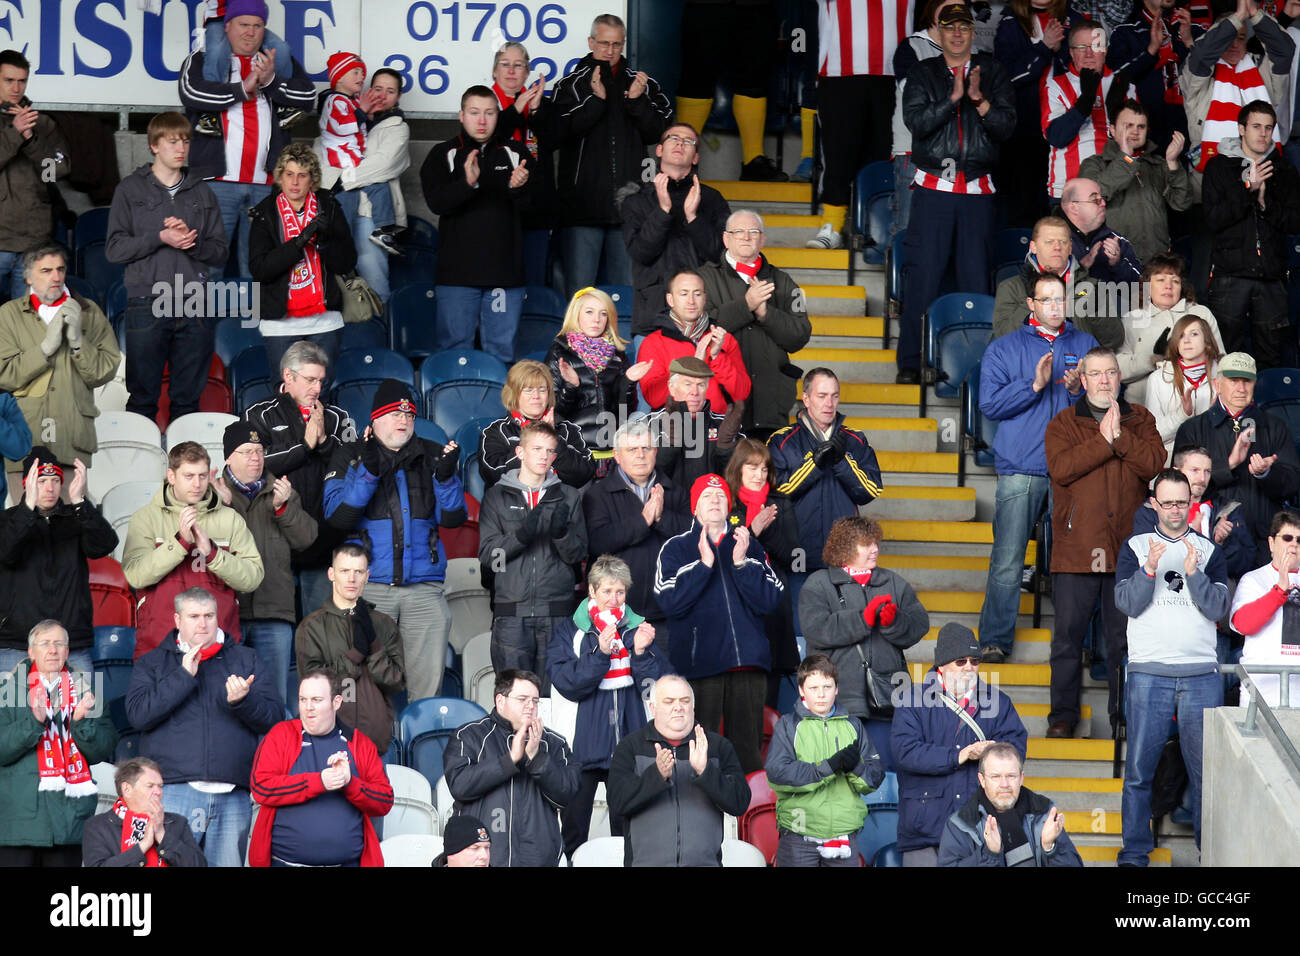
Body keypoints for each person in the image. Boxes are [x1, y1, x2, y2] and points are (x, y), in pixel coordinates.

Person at [1044, 345, 1167, 736]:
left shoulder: (1141, 418)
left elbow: (1153, 465)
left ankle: (1122, 716)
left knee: (1123, 642)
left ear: (1119, 377)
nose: (1103, 381)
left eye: (1110, 373)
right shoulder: (1063, 423)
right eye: (1095, 374)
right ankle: (1062, 718)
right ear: (1083, 380)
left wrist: (1120, 438)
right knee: (1067, 640)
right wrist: (1103, 440)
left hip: (1128, 552)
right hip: (1077, 549)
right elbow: (1061, 469)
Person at [977, 272, 1098, 663]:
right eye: (1045, 300)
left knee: (1078, 561)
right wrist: (1033, 385)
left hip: (1075, 469)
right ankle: (995, 640)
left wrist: (1080, 391)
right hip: (1022, 467)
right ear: (1031, 304)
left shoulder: (1085, 344)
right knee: (1009, 558)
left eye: (1059, 299)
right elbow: (989, 405)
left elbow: (1108, 403)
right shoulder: (1004, 347)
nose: (1054, 307)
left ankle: (1077, 645)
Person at [1114, 467, 1229, 866]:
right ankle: (1134, 854)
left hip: (1201, 674)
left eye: (1183, 502)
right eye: (1168, 503)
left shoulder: (1209, 551)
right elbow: (1127, 604)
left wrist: (1195, 576)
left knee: (1205, 777)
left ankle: (1208, 855)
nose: (1176, 510)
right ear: (1153, 504)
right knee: (1139, 773)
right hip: (1148, 672)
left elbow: (1219, 608)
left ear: (1190, 503)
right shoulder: (1134, 546)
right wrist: (1148, 571)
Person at [323, 379, 465, 701]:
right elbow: (337, 517)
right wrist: (368, 474)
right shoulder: (351, 454)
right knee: (363, 695)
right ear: (375, 419)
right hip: (369, 589)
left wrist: (444, 479)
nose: (403, 421)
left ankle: (421, 748)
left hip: (423, 591)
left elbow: (454, 519)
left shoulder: (431, 454)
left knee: (426, 694)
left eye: (410, 415)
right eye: (394, 414)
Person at [898, 1, 1016, 385]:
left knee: (975, 280)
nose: (957, 33)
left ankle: (975, 367)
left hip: (978, 190)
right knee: (924, 278)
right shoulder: (923, 72)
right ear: (938, 30)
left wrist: (978, 99)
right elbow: (915, 121)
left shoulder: (993, 71)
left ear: (971, 31)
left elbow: (1006, 127)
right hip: (934, 188)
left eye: (964, 26)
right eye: (949, 27)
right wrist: (952, 97)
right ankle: (911, 363)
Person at [125, 586, 281, 866]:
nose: (202, 623)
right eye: (194, 616)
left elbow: (273, 718)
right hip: (173, 789)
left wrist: (243, 701)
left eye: (209, 615)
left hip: (232, 792)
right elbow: (138, 716)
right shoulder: (153, 662)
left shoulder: (247, 659)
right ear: (177, 620)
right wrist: (183, 676)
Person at [654, 472, 784, 773]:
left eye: (721, 496)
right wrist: (703, 566)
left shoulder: (748, 544)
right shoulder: (676, 547)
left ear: (730, 506)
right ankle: (699, 817)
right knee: (700, 754)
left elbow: (771, 599)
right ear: (694, 508)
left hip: (748, 665)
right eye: (707, 497)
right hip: (701, 667)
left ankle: (746, 817)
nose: (715, 500)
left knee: (748, 756)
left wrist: (741, 564)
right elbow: (668, 600)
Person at [106, 110, 228, 424]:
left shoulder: (203, 192)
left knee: (188, 400)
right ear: (154, 145)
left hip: (194, 302)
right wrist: (160, 237)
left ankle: (186, 473)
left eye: (186, 141)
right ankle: (137, 469)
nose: (181, 148)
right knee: (142, 398)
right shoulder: (130, 190)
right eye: (172, 141)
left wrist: (192, 242)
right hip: (147, 301)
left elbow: (219, 253)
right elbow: (115, 249)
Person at [178, 1, 317, 277]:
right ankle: (202, 322)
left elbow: (308, 98)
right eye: (243, 25)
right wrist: (243, 88)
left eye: (257, 26)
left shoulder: (274, 63)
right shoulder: (204, 59)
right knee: (207, 268)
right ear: (226, 26)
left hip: (266, 185)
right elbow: (191, 94)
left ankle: (249, 322)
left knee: (256, 269)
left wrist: (271, 82)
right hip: (216, 183)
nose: (250, 33)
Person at [547, 554, 667, 861]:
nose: (614, 599)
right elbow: (568, 683)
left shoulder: (640, 630)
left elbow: (658, 690)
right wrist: (601, 654)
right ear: (591, 591)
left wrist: (640, 654)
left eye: (620, 592)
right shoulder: (569, 631)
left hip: (627, 748)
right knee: (573, 834)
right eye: (607, 591)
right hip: (580, 749)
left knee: (627, 837)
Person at [551, 13, 672, 294]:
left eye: (617, 44)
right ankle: (577, 342)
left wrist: (638, 101)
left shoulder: (642, 84)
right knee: (579, 299)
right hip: (581, 211)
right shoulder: (569, 85)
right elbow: (557, 134)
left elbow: (660, 134)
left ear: (624, 44)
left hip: (628, 211)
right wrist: (595, 100)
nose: (610, 51)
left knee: (624, 297)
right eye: (604, 43)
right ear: (591, 42)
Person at [891, 623, 1029, 866]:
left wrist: (993, 753)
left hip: (978, 829)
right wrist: (959, 755)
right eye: (960, 661)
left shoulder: (998, 701)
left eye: (975, 661)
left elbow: (1015, 749)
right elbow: (905, 752)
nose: (969, 667)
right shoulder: (911, 699)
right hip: (925, 829)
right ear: (941, 665)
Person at [799, 516, 930, 771]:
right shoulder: (818, 583)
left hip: (887, 701)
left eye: (875, 543)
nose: (875, 549)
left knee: (886, 778)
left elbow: (919, 625)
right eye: (866, 544)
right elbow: (816, 629)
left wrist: (894, 622)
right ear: (845, 547)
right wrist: (863, 619)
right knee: (843, 778)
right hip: (838, 702)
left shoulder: (893, 582)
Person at [420, 85, 533, 365]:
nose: (482, 121)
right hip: (456, 277)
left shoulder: (516, 153)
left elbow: (537, 209)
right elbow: (436, 203)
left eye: (489, 113)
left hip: (504, 278)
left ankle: (504, 411)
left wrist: (517, 189)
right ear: (461, 115)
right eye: (474, 113)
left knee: (502, 354)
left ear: (498, 116)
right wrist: (467, 184)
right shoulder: (442, 153)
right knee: (454, 354)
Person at [0, 244, 121, 505]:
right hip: (25, 440)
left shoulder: (89, 312)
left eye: (60, 269)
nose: (56, 277)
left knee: (71, 527)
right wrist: (45, 349)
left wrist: (78, 341)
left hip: (72, 438)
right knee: (27, 526)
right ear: (29, 277)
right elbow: (4, 374)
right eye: (46, 271)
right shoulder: (8, 315)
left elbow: (104, 370)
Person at [122, 440, 264, 657]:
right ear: (171, 476)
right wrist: (179, 542)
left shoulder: (230, 519)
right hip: (159, 648)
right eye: (188, 476)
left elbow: (252, 578)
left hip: (219, 648)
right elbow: (136, 576)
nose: (197, 484)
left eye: (202, 476)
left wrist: (213, 554)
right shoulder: (146, 518)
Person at [212, 420, 317, 710]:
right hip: (227, 614)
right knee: (227, 699)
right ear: (229, 457)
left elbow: (307, 538)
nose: (256, 458)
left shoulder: (281, 491)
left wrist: (283, 509)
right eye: (247, 452)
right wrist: (220, 508)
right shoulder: (212, 493)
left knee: (274, 700)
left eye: (259, 451)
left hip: (274, 611)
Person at [244, 340, 351, 614]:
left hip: (323, 540)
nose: (317, 389)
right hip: (274, 542)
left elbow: (352, 466)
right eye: (310, 380)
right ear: (288, 376)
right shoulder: (259, 414)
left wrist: (325, 441)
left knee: (319, 634)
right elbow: (254, 466)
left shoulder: (336, 417)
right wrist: (304, 447)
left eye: (321, 381)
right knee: (278, 637)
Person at [0, 620, 117, 867]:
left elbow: (103, 749)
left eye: (59, 643)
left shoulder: (88, 692)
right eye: (45, 643)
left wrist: (81, 723)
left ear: (67, 651)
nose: (53, 650)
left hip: (69, 825)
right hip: (18, 827)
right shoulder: (5, 691)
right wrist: (33, 721)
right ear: (31, 652)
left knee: (62, 905)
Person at [478, 421, 587, 684]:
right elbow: (491, 558)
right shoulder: (496, 496)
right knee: (514, 697)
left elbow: (578, 556)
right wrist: (522, 535)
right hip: (512, 615)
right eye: (537, 448)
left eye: (550, 451)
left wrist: (561, 535)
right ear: (520, 452)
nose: (543, 456)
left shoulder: (569, 496)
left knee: (556, 699)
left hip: (558, 613)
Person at [248, 671, 393, 867]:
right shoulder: (281, 735)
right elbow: (261, 788)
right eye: (302, 699)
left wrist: (350, 783)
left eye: (316, 700)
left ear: (337, 702)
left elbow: (384, 801)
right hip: (285, 863)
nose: (308, 708)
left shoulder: (359, 744)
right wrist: (319, 782)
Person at [606, 673, 750, 866]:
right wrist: (656, 776)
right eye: (669, 701)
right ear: (653, 708)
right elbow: (617, 803)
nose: (678, 707)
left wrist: (705, 771)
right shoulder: (630, 747)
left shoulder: (717, 746)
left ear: (693, 706)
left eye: (685, 700)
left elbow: (739, 803)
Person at [805, 0, 913, 250]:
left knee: (884, 155)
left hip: (893, 74)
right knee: (839, 154)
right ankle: (832, 224)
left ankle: (874, 228)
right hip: (839, 72)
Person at [443, 669, 579, 866]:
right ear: (500, 700)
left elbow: (567, 796)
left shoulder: (555, 743)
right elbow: (460, 786)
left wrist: (536, 758)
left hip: (539, 858)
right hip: (485, 858)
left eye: (534, 700)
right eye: (522, 699)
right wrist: (510, 760)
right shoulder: (469, 735)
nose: (530, 706)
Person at [1173, 351, 1300, 561]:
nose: (1241, 389)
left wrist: (1266, 473)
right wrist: (1229, 464)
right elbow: (1179, 488)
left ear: (1255, 384)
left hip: (1264, 545)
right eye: (1233, 381)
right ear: (1217, 383)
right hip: (1211, 543)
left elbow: (1294, 482)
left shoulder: (1274, 426)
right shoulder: (1193, 428)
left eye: (1247, 381)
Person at [1202, 100, 1300, 371]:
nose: (1263, 134)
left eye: (1269, 128)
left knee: (1272, 360)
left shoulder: (1284, 170)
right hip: (1230, 276)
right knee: (1227, 358)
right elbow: (1213, 220)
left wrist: (1266, 203)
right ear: (1241, 129)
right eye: (1256, 126)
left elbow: (1294, 222)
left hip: (1272, 277)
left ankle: (1268, 413)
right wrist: (1247, 188)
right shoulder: (1219, 167)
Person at [0, 449, 116, 674]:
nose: (50, 488)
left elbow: (105, 545)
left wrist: (80, 503)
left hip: (70, 641)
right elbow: (6, 552)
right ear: (27, 483)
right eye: (41, 481)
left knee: (86, 709)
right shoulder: (6, 520)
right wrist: (27, 509)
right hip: (16, 642)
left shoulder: (77, 518)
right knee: (10, 710)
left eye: (55, 480)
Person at [248, 142, 357, 378]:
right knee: (285, 397)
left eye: (302, 175)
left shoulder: (328, 207)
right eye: (289, 174)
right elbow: (260, 269)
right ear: (280, 177)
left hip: (325, 322)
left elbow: (347, 262)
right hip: (280, 323)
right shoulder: (264, 213)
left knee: (320, 394)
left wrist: (323, 241)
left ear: (312, 179)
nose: (295, 182)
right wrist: (299, 242)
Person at [765, 654, 885, 866]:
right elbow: (777, 775)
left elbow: (874, 778)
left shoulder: (854, 725)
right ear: (801, 690)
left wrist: (855, 768)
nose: (821, 694)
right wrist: (827, 767)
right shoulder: (788, 725)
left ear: (836, 689)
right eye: (813, 688)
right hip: (799, 834)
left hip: (843, 834)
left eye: (827, 687)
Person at [700, 210, 812, 436]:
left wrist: (765, 313)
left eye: (753, 232)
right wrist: (746, 304)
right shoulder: (704, 278)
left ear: (763, 239)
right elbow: (702, 327)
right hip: (720, 404)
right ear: (726, 239)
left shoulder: (784, 281)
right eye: (738, 231)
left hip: (771, 403)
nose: (746, 237)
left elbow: (800, 335)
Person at [582, 419, 693, 643]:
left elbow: (693, 541)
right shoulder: (598, 494)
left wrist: (661, 517)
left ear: (656, 452)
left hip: (667, 613)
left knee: (666, 678)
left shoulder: (676, 492)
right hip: (614, 615)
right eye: (632, 449)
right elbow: (598, 543)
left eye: (647, 448)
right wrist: (643, 521)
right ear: (616, 455)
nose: (640, 455)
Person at [769, 368, 884, 577]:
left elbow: (871, 490)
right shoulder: (781, 440)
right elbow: (778, 491)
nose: (829, 404)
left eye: (834, 396)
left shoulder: (855, 439)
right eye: (822, 396)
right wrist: (815, 465)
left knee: (846, 612)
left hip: (845, 554)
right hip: (797, 554)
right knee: (800, 610)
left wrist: (842, 462)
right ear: (806, 398)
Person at [295, 543, 405, 756]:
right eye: (344, 571)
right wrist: (355, 654)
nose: (352, 579)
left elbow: (395, 682)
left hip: (374, 743)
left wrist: (373, 647)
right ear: (331, 574)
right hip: (327, 742)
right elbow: (312, 685)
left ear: (367, 576)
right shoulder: (311, 626)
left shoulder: (383, 624)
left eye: (358, 572)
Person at [622, 124, 730, 339]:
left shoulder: (712, 199)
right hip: (652, 318)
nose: (681, 143)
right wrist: (663, 211)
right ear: (659, 150)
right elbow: (641, 253)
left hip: (702, 318)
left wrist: (693, 218)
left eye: (688, 141)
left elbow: (720, 254)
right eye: (673, 138)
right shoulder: (636, 200)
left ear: (696, 157)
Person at [674, 0, 788, 181]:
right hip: (706, 5)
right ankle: (682, 160)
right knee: (696, 80)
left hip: (757, 7)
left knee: (754, 81)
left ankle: (754, 162)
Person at [322, 67, 409, 303]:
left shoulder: (397, 127)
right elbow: (321, 158)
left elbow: (384, 164)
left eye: (390, 91)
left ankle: (381, 332)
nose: (382, 95)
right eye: (378, 89)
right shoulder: (343, 117)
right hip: (337, 208)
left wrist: (343, 180)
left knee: (375, 283)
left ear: (398, 96)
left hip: (371, 216)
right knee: (331, 279)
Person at [725, 437, 803, 702]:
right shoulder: (725, 504)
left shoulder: (780, 503)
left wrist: (762, 535)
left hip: (772, 606)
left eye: (764, 469)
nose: (759, 475)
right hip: (735, 606)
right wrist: (752, 532)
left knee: (769, 690)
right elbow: (721, 558)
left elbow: (794, 557)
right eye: (752, 468)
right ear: (738, 470)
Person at [994, 0, 1081, 226]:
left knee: (1068, 208)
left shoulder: (1076, 19)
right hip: (1024, 131)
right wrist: (1043, 47)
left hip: (1069, 128)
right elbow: (1006, 78)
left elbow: (1086, 69)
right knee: (1023, 209)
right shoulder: (1011, 21)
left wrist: (1058, 49)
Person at [1181, 0, 1294, 172]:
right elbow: (1201, 54)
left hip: (1260, 174)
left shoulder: (1260, 68)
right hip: (1209, 177)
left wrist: (1256, 15)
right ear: (1217, 40)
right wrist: (1238, 17)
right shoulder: (1199, 69)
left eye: (1240, 38)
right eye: (1228, 38)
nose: (1234, 44)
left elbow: (1284, 50)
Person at [1077, 99, 1192, 265]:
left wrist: (1173, 164)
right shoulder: (1094, 164)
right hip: (1113, 264)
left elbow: (1181, 204)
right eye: (1128, 126)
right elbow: (1092, 199)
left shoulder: (1158, 164)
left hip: (1155, 264)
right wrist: (1126, 158)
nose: (1135, 131)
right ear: (1113, 130)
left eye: (1141, 127)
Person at [545, 287, 651, 465]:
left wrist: (628, 382)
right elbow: (553, 412)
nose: (596, 319)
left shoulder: (618, 356)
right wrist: (572, 386)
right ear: (576, 314)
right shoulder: (559, 352)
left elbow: (624, 413)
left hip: (612, 453)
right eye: (589, 312)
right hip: (575, 453)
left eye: (603, 314)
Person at [936, 742, 1082, 866]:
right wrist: (989, 854)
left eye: (1011, 776)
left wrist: (1050, 848)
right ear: (982, 780)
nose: (1004, 784)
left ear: (1021, 778)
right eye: (995, 777)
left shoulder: (1044, 814)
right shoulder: (961, 823)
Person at [0, 49, 71, 300]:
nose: (16, 88)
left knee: (27, 326)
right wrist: (13, 133)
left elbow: (55, 173)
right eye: (9, 80)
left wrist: (31, 142)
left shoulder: (43, 125)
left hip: (32, 245)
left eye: (22, 80)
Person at [314, 52, 400, 253]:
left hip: (352, 161)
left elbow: (359, 128)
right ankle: (333, 244)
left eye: (362, 72)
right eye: (355, 72)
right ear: (339, 77)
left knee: (377, 186)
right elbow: (340, 126)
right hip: (341, 163)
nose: (361, 77)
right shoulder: (333, 100)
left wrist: (366, 114)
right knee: (345, 210)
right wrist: (361, 112)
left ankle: (382, 230)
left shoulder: (350, 101)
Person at [991, 214, 1122, 347]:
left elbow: (1114, 340)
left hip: (1081, 364)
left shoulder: (1092, 287)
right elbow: (1003, 337)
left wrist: (1094, 308)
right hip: (1031, 365)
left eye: (1063, 242)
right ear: (1034, 247)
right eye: (1049, 242)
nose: (1057, 247)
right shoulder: (1011, 287)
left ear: (1070, 248)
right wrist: (1036, 295)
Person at [637, 269, 752, 414]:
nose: (691, 301)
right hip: (672, 427)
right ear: (670, 299)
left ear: (704, 298)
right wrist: (693, 364)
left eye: (697, 294)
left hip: (717, 428)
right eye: (684, 294)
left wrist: (717, 356)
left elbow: (741, 394)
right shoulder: (653, 342)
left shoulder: (724, 339)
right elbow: (653, 398)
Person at [1115, 252, 1223, 406]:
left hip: (1198, 406)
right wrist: (1152, 358)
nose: (1168, 286)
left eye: (1175, 281)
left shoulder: (1200, 313)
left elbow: (1220, 362)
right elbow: (1117, 370)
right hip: (1142, 408)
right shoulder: (1132, 319)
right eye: (1160, 280)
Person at [1041, 21, 1133, 201]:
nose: (1089, 53)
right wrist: (1084, 103)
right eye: (1082, 47)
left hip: (1116, 188)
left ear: (1105, 50)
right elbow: (1057, 137)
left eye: (1096, 46)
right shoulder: (1055, 86)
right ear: (1071, 52)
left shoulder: (1124, 85)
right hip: (1067, 189)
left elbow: (1137, 145)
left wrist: (1115, 111)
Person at [492, 42, 557, 288]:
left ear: (527, 72)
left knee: (534, 283)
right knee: (499, 282)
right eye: (505, 64)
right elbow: (485, 142)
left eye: (518, 65)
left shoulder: (540, 102)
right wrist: (515, 111)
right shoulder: (485, 103)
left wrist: (537, 109)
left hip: (535, 209)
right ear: (495, 72)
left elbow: (554, 141)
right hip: (497, 209)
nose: (511, 71)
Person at [478, 359, 596, 492]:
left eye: (542, 390)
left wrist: (554, 440)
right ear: (514, 394)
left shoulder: (566, 429)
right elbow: (492, 475)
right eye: (528, 390)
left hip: (559, 506)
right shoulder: (497, 432)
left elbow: (584, 474)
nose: (536, 396)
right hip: (513, 508)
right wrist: (536, 441)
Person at [1230, 510, 1300, 707]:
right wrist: (1279, 591)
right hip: (1261, 696)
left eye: (1299, 540)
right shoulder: (1253, 579)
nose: (1294, 544)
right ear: (1271, 543)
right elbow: (1243, 624)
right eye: (1287, 538)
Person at [82, 757, 207, 867]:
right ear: (127, 789)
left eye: (160, 786)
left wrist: (162, 835)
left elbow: (199, 864)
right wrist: (143, 846)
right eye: (150, 786)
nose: (158, 792)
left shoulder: (177, 822)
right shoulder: (97, 826)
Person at [645, 356, 746, 491]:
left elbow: (742, 476)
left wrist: (726, 447)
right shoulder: (649, 425)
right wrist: (670, 444)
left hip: (713, 507)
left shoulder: (724, 424)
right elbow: (644, 476)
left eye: (701, 385)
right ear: (671, 387)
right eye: (688, 384)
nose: (695, 392)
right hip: (668, 507)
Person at [1109, 0, 1201, 146]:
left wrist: (1190, 42)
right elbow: (1114, 78)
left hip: (1192, 133)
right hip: (1146, 139)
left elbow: (1214, 74)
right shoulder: (1125, 31)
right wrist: (1150, 51)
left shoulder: (1193, 29)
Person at [1057, 176, 1143, 285]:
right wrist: (1081, 266)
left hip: (1107, 301)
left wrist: (1118, 264)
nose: (1103, 203)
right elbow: (1042, 289)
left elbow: (1142, 287)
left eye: (1102, 198)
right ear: (1074, 208)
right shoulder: (1052, 240)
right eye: (1095, 200)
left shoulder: (1117, 240)